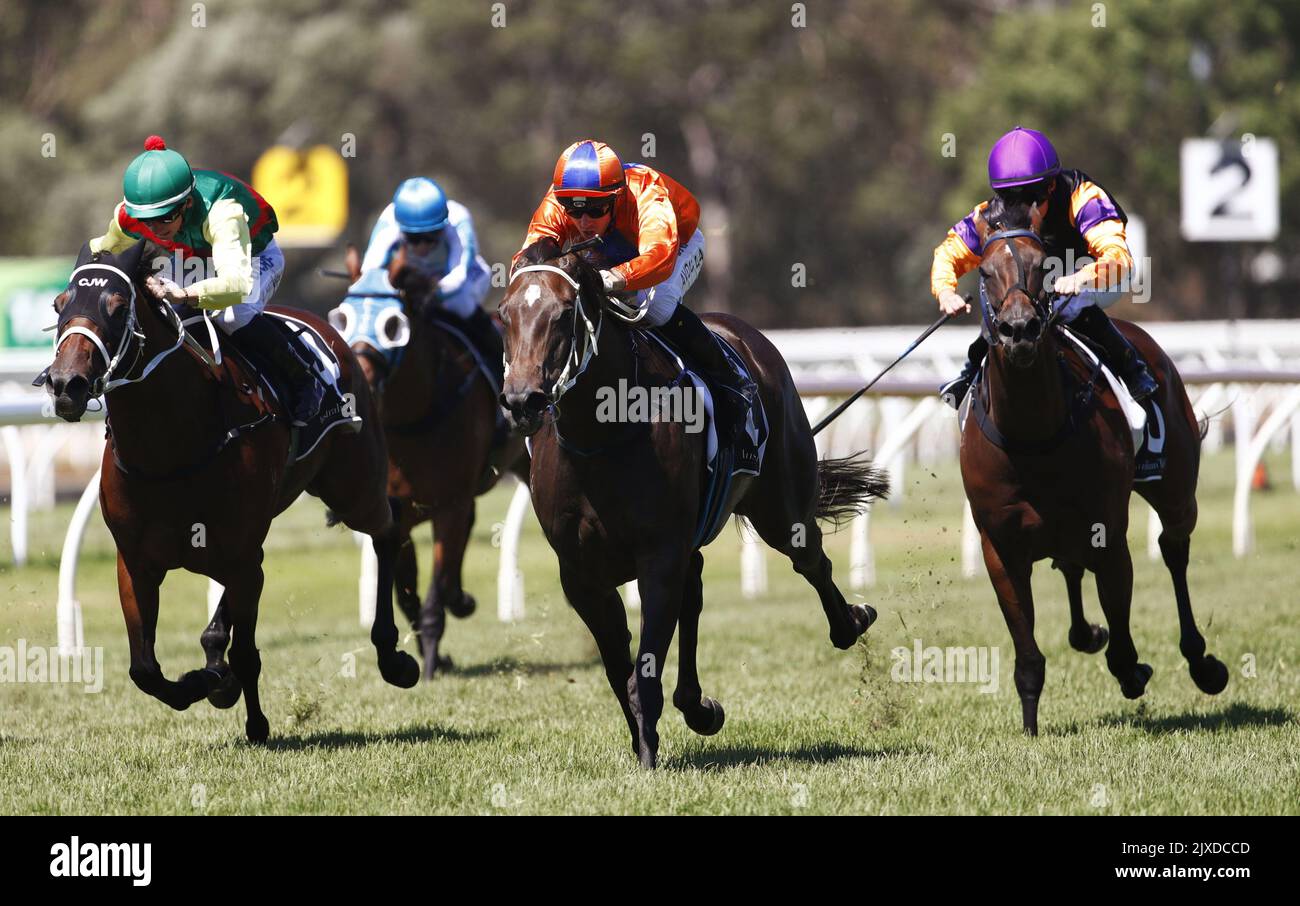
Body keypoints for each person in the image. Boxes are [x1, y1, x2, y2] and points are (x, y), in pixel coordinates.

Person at [513, 138, 755, 438]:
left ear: (616, 198)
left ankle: (730, 380)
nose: (584, 220)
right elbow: (529, 260)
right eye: (573, 210)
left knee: (655, 306)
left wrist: (610, 279)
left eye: (596, 208)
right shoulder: (559, 199)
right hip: (608, 248)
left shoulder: (647, 192)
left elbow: (659, 258)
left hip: (675, 243)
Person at [89, 135, 323, 424]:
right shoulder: (130, 217)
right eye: (147, 221)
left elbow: (235, 286)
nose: (155, 228)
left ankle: (304, 376)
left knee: (233, 316)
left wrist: (183, 294)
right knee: (155, 315)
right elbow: (101, 251)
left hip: (253, 258)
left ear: (187, 204)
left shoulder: (222, 212)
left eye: (164, 218)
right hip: (194, 260)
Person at [932, 126, 1158, 408]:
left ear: (1051, 187)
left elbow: (1117, 258)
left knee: (1071, 300)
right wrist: (945, 291)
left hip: (1105, 273)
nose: (1022, 212)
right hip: (1042, 274)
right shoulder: (990, 213)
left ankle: (1132, 367)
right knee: (997, 283)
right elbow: (947, 254)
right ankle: (970, 371)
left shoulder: (1084, 197)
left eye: (1029, 200)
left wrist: (1081, 277)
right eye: (1011, 200)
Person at [360, 177, 500, 382]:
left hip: (466, 280)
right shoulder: (389, 220)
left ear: (444, 225)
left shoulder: (459, 218)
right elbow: (369, 270)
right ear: (401, 229)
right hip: (417, 283)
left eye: (432, 236)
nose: (423, 246)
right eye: (414, 239)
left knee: (460, 304)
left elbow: (458, 275)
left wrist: (432, 291)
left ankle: (498, 367)